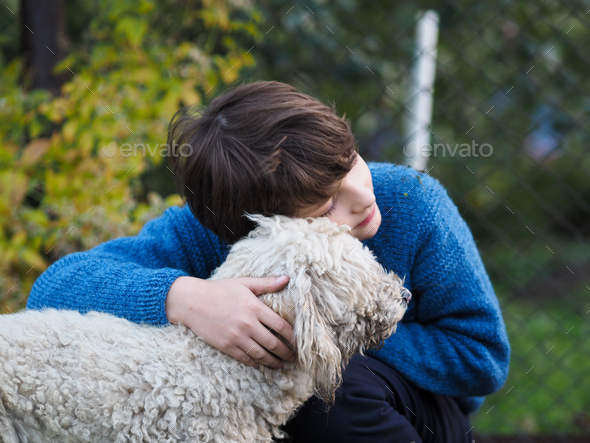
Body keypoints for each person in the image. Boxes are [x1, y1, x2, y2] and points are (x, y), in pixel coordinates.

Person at [27, 80, 510, 442]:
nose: (363, 196)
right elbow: (54, 287)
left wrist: (329, 333)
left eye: (351, 162)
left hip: (415, 413)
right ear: (265, 227)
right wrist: (186, 298)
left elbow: (482, 357)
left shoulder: (413, 201)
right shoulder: (206, 231)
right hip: (270, 414)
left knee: (329, 394)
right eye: (325, 208)